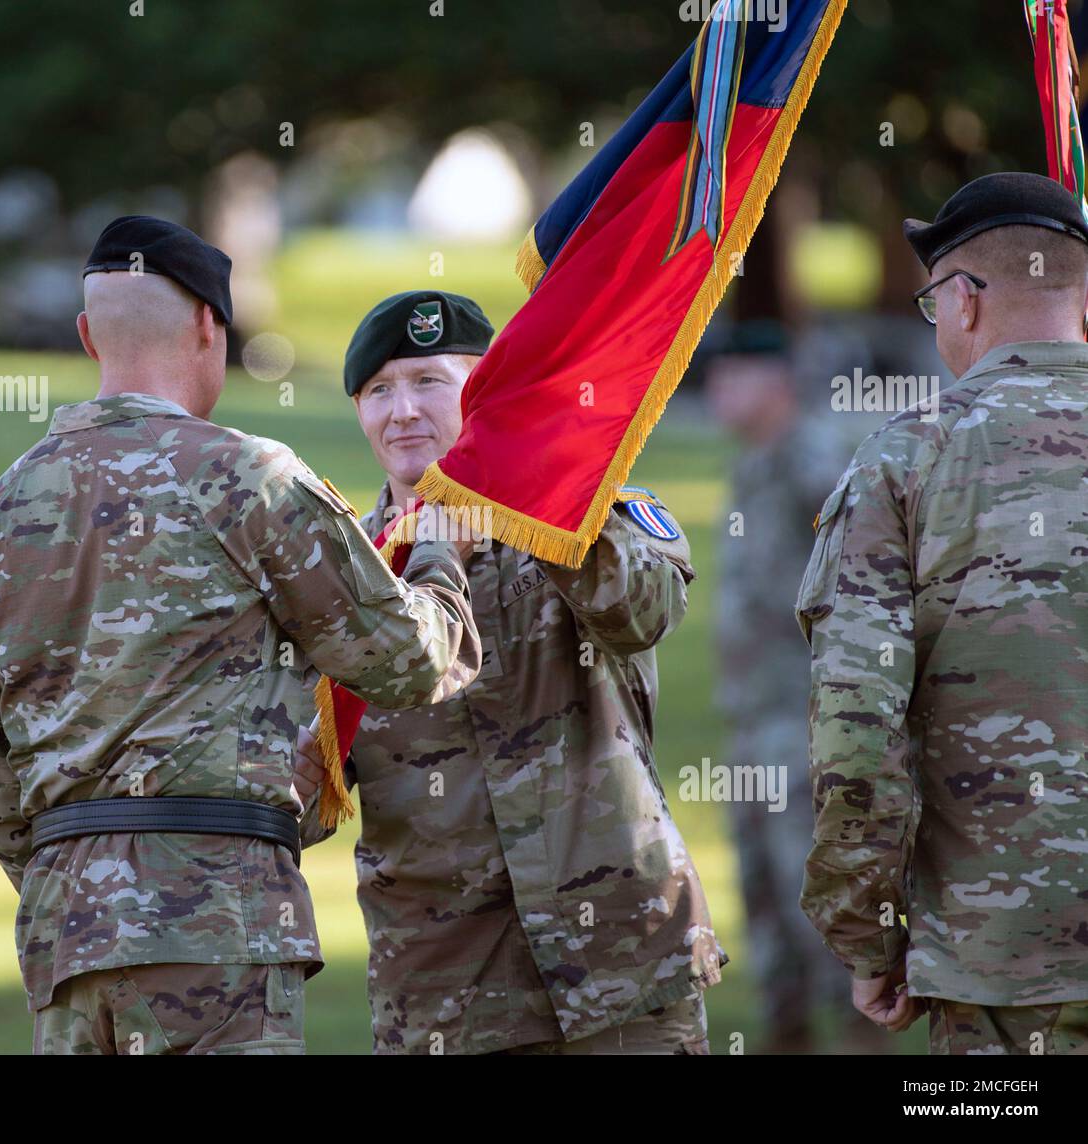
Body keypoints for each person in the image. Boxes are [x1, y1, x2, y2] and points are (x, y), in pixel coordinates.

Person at [0, 218, 482, 1055]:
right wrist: (440, 543)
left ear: (88, 335)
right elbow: (411, 661)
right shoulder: (247, 477)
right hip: (219, 924)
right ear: (207, 326)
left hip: (66, 932)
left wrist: (78, 878)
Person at [295, 289, 725, 1055]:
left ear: (487, 391)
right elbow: (301, 798)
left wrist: (541, 497)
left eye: (430, 382)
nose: (403, 413)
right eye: (378, 391)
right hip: (449, 996)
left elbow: (645, 611)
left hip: (624, 965)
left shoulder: (584, 514)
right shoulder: (344, 577)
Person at [796, 172, 1088, 1055]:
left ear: (962, 302)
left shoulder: (907, 459)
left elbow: (856, 728)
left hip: (997, 957)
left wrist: (869, 935)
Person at [705, 321, 876, 1053]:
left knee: (819, 902)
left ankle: (859, 1038)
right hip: (756, 718)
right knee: (766, 905)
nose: (716, 392)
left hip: (806, 722)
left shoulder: (814, 461)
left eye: (730, 375)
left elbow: (865, 582)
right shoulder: (755, 466)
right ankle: (791, 1035)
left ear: (773, 382)